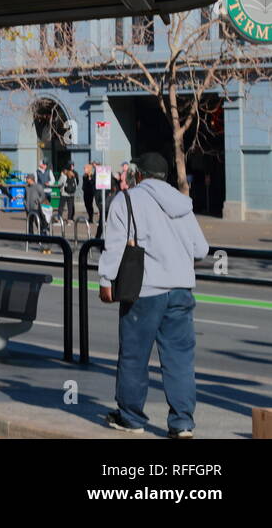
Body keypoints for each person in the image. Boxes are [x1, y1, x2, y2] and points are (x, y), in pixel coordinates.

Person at [99, 153, 210, 438]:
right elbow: (201, 250)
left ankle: (131, 418)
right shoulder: (183, 204)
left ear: (139, 174)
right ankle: (182, 423)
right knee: (180, 359)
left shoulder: (125, 200)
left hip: (143, 291)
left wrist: (105, 280)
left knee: (134, 356)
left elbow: (114, 247)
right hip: (181, 290)